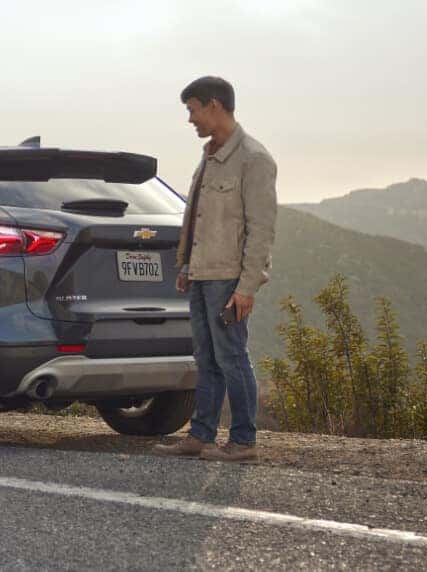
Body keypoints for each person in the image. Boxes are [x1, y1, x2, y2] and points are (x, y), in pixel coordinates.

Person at [154, 76, 277, 462]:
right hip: (202, 275)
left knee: (232, 357)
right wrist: (186, 265)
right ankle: (201, 435)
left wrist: (247, 287)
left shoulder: (254, 159)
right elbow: (199, 218)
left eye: (193, 110)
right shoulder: (209, 156)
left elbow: (262, 230)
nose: (191, 119)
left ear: (214, 106)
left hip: (229, 281)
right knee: (205, 359)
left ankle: (243, 441)